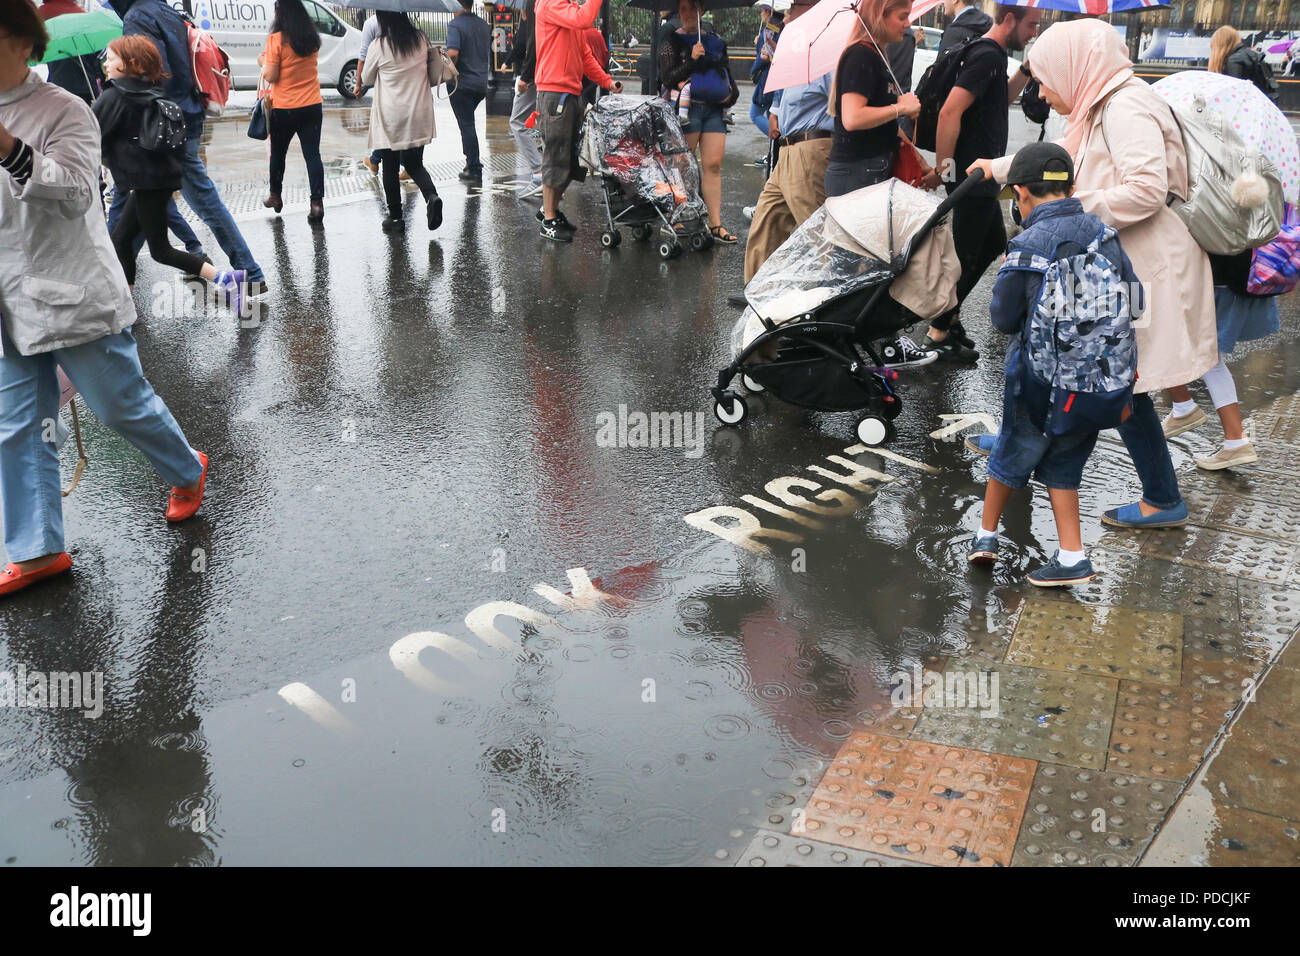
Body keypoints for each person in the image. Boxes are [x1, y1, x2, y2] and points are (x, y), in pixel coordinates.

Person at [969, 17, 1218, 530]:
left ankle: (1162, 496)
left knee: (1123, 381)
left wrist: (1072, 210)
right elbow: (1063, 162)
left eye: (1043, 79)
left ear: (1073, 67)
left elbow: (1147, 189)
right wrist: (998, 167)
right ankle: (1021, 435)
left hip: (1139, 265)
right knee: (1069, 354)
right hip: (1108, 259)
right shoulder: (1097, 104)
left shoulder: (1124, 106)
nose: (1039, 92)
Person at [0, 2, 208, 597]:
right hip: (6, 305)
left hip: (71, 293)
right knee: (18, 425)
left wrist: (7, 146)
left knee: (120, 408)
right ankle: (37, 549)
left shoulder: (65, 111)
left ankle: (187, 468)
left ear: (20, 42)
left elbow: (71, 192)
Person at [969, 143, 1142, 586]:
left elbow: (1004, 319)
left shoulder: (1026, 246)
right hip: (1097, 382)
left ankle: (986, 536)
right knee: (1065, 464)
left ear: (1023, 194)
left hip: (1036, 380)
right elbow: (1136, 301)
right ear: (1070, 187)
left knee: (1011, 451)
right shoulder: (1103, 233)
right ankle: (1071, 556)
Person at [107, 0, 267, 296]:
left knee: (172, 201)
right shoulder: (164, 10)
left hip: (162, 127)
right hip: (184, 113)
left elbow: (153, 73)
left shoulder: (137, 17)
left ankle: (250, 272)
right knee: (146, 207)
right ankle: (114, 278)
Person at [916, 4, 1038, 364]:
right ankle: (939, 331)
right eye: (1031, 25)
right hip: (971, 175)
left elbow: (1001, 101)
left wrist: (1027, 72)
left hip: (980, 175)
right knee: (968, 254)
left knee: (990, 246)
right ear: (1010, 19)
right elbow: (950, 111)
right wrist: (946, 169)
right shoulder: (986, 55)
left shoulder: (994, 56)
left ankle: (948, 319)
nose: (1033, 33)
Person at [93, 36, 244, 301]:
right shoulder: (153, 91)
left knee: (158, 249)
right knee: (122, 240)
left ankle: (227, 279)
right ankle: (125, 305)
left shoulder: (115, 95)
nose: (106, 62)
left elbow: (87, 134)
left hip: (145, 183)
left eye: (112, 57)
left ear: (130, 63)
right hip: (158, 180)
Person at [1161, 249, 1277, 470]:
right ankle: (1186, 410)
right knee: (1202, 353)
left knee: (1194, 351)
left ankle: (1230, 437)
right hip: (1238, 271)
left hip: (1213, 277)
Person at [743, 0, 831, 282]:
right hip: (791, 147)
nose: (786, 16)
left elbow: (843, 103)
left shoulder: (825, 46)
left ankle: (838, 299)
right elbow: (788, 84)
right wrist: (777, 110)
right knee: (766, 221)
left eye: (793, 8)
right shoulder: (800, 43)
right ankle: (759, 292)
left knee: (818, 233)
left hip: (810, 148)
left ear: (810, 9)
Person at [534, 0, 619, 242]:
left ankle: (550, 212)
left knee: (572, 161)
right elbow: (584, 18)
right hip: (554, 93)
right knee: (555, 156)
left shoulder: (569, 10)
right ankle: (548, 220)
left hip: (571, 92)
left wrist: (606, 82)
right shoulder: (551, 3)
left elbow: (584, 56)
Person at [824, 0, 922, 199]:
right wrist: (900, 108)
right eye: (902, 16)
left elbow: (884, 122)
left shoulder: (876, 55)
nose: (908, 23)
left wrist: (919, 159)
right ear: (880, 16)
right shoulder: (861, 54)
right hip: (857, 172)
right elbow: (852, 118)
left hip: (867, 170)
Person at [659, 0, 739, 244]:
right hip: (688, 110)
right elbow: (667, 78)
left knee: (713, 166)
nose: (686, 14)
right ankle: (676, 216)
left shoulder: (714, 39)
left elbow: (726, 73)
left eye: (691, 8)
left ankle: (714, 223)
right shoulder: (671, 39)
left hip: (715, 110)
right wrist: (692, 60)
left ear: (702, 10)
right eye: (682, 9)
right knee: (683, 165)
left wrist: (731, 95)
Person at [362, 10, 441, 233]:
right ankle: (432, 196)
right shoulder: (420, 39)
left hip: (392, 114)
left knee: (389, 165)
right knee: (414, 163)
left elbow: (366, 78)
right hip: (419, 110)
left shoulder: (379, 45)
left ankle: (396, 217)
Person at [259, 0, 324, 222]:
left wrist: (263, 61)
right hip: (312, 105)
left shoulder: (276, 40)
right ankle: (316, 205)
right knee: (312, 155)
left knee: (278, 154)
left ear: (280, 13)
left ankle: (275, 196)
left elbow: (270, 75)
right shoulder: (312, 40)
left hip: (284, 108)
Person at [447, 0, 492, 185]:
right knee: (469, 124)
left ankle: (474, 168)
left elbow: (453, 53)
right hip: (481, 84)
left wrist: (447, 68)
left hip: (462, 84)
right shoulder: (483, 25)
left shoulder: (455, 25)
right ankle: (471, 163)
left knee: (466, 125)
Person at [39, 0, 105, 104]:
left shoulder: (40, 15)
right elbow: (97, 52)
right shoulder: (81, 14)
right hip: (85, 81)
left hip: (58, 82)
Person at [507, 0, 542, 193]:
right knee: (544, 123)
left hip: (535, 74)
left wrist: (526, 77)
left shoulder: (533, 8)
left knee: (518, 123)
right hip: (553, 73)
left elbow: (532, 43)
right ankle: (550, 178)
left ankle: (539, 172)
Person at [1212, 25, 1278, 99]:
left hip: (1244, 102)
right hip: (1261, 100)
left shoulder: (1234, 60)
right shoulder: (1253, 55)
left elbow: (1234, 91)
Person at [749, 4, 781, 145]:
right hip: (777, 79)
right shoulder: (782, 28)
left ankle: (778, 138)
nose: (761, 14)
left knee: (755, 114)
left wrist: (753, 69)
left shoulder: (769, 31)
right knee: (771, 114)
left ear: (768, 12)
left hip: (768, 79)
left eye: (762, 11)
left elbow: (763, 57)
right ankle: (772, 152)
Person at [582, 19, 610, 107]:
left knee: (582, 96)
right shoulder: (598, 34)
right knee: (591, 96)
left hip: (585, 71)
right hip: (598, 69)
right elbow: (605, 52)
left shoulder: (582, 33)